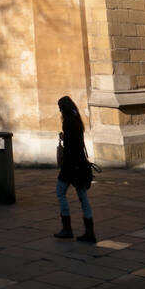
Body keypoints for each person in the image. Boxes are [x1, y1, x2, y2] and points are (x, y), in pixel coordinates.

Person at [53, 95, 96, 243]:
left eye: (60, 108)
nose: (59, 111)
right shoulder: (77, 122)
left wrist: (64, 142)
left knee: (60, 191)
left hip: (71, 166)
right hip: (81, 165)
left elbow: (71, 147)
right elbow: (77, 143)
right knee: (83, 198)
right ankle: (89, 232)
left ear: (63, 108)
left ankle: (67, 228)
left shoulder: (68, 123)